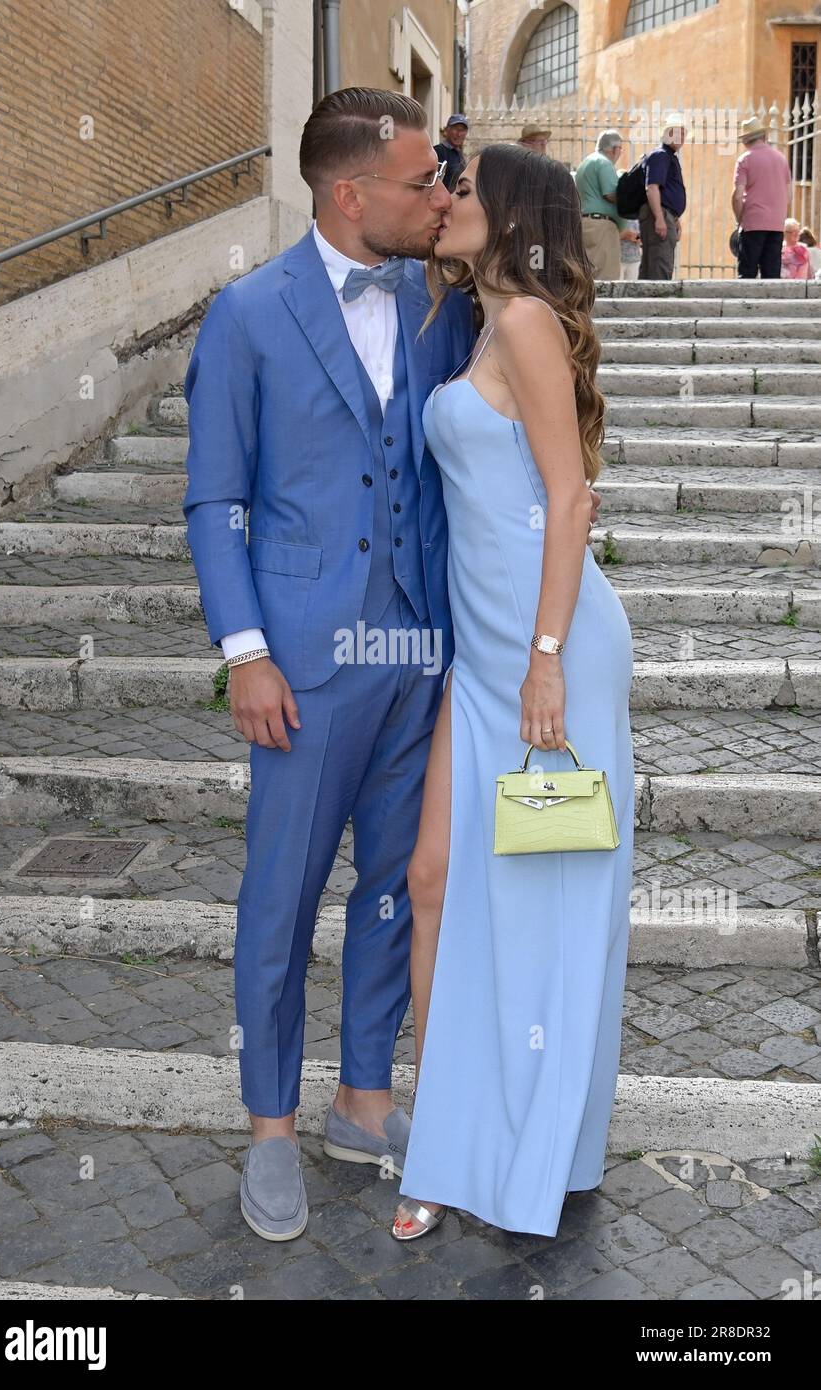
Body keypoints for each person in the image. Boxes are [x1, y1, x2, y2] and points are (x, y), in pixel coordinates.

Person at [182, 87, 604, 1243]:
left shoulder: (445, 307)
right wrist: (246, 651)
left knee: (392, 887)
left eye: (446, 181)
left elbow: (521, 450)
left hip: (428, 652)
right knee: (279, 896)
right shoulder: (246, 315)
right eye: (424, 180)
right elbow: (215, 498)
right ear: (347, 191)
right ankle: (270, 1124)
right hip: (304, 665)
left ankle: (363, 1099)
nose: (440, 194)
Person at [391, 144, 635, 1239]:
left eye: (459, 189)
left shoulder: (527, 323)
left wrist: (543, 656)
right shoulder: (483, 321)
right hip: (479, 656)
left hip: (549, 653)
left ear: (506, 213)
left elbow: (569, 499)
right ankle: (448, 1140)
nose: (441, 201)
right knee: (431, 876)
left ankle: (523, 1145)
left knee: (542, 904)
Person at [574, 130, 640, 279]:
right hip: (601, 227)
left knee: (590, 273)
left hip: (586, 222)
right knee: (605, 277)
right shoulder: (604, 163)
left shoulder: (586, 162)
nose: (620, 153)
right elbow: (611, 194)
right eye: (620, 149)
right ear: (615, 149)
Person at [731, 115, 791, 278]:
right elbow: (789, 194)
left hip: (753, 222)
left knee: (747, 272)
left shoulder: (745, 160)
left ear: (745, 141)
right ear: (764, 137)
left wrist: (740, 219)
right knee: (772, 273)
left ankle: (746, 304)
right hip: (776, 223)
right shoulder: (782, 159)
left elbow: (737, 196)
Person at [638, 116, 686, 280]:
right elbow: (652, 188)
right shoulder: (661, 155)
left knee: (655, 267)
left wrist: (674, 218)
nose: (682, 138)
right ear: (668, 134)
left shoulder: (668, 156)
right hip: (659, 215)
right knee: (660, 269)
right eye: (678, 133)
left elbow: (665, 191)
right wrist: (660, 218)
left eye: (683, 134)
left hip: (665, 214)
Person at [434, 113, 468, 193]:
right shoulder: (439, 151)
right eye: (456, 129)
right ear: (447, 130)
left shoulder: (459, 153)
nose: (459, 134)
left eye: (462, 130)